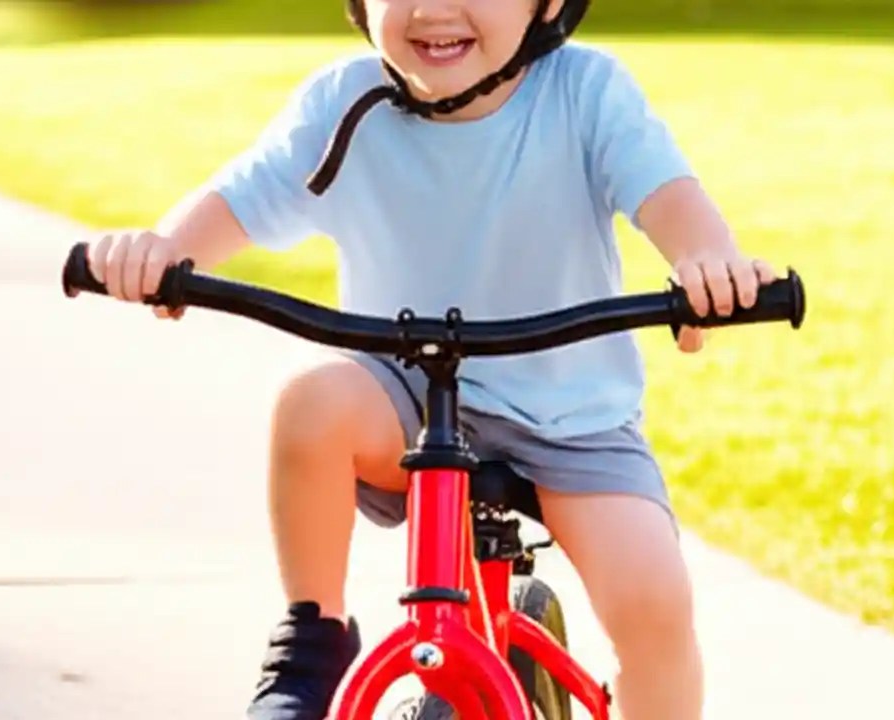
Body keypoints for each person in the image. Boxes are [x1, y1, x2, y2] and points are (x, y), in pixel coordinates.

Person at [82, 0, 781, 718]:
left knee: (653, 604)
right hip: (404, 396)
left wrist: (707, 261)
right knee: (312, 403)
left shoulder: (584, 93)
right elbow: (242, 196)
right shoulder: (345, 106)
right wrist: (165, 252)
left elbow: (668, 194)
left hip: (568, 414)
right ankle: (312, 640)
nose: (432, 9)